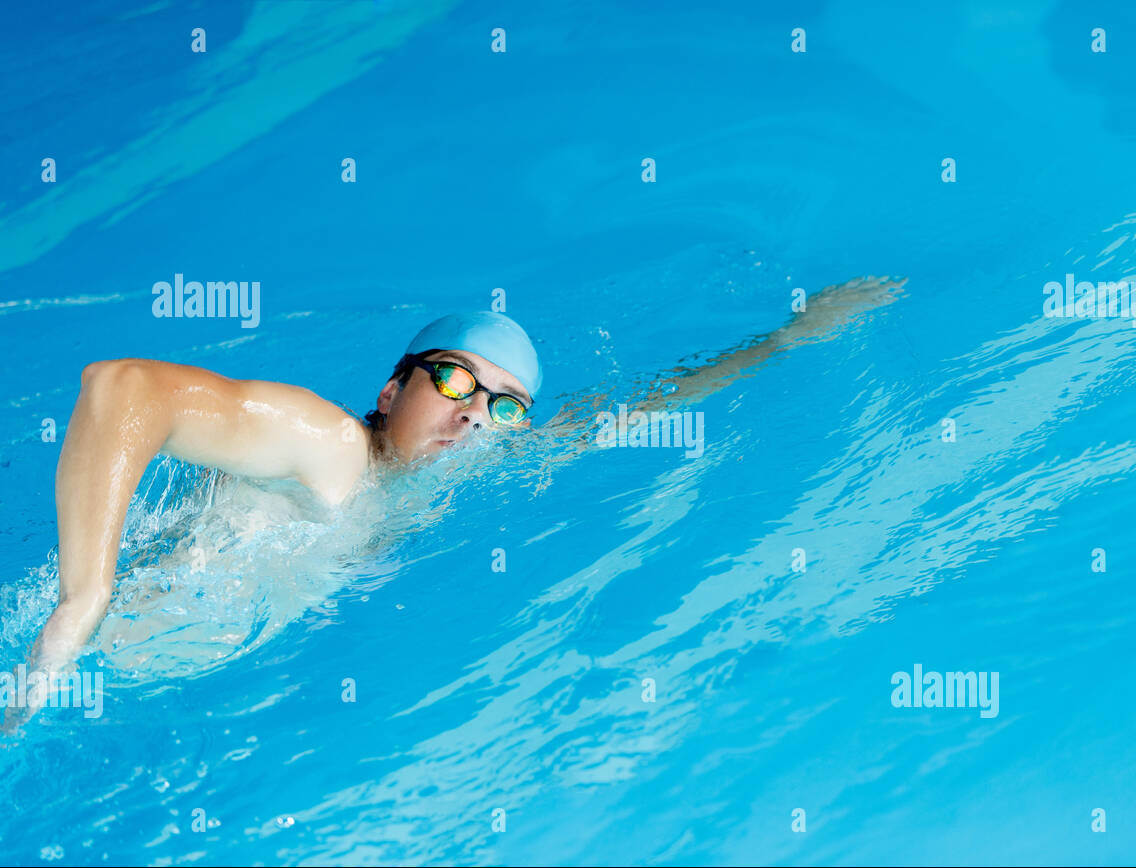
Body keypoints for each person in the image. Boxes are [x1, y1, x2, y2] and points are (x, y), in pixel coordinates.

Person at [1, 276, 902, 732]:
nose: (475, 413)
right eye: (456, 378)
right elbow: (121, 390)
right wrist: (85, 600)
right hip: (53, 671)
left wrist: (792, 336)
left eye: (502, 405)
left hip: (141, 693)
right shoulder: (325, 448)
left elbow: (627, 416)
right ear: (392, 390)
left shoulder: (453, 472)